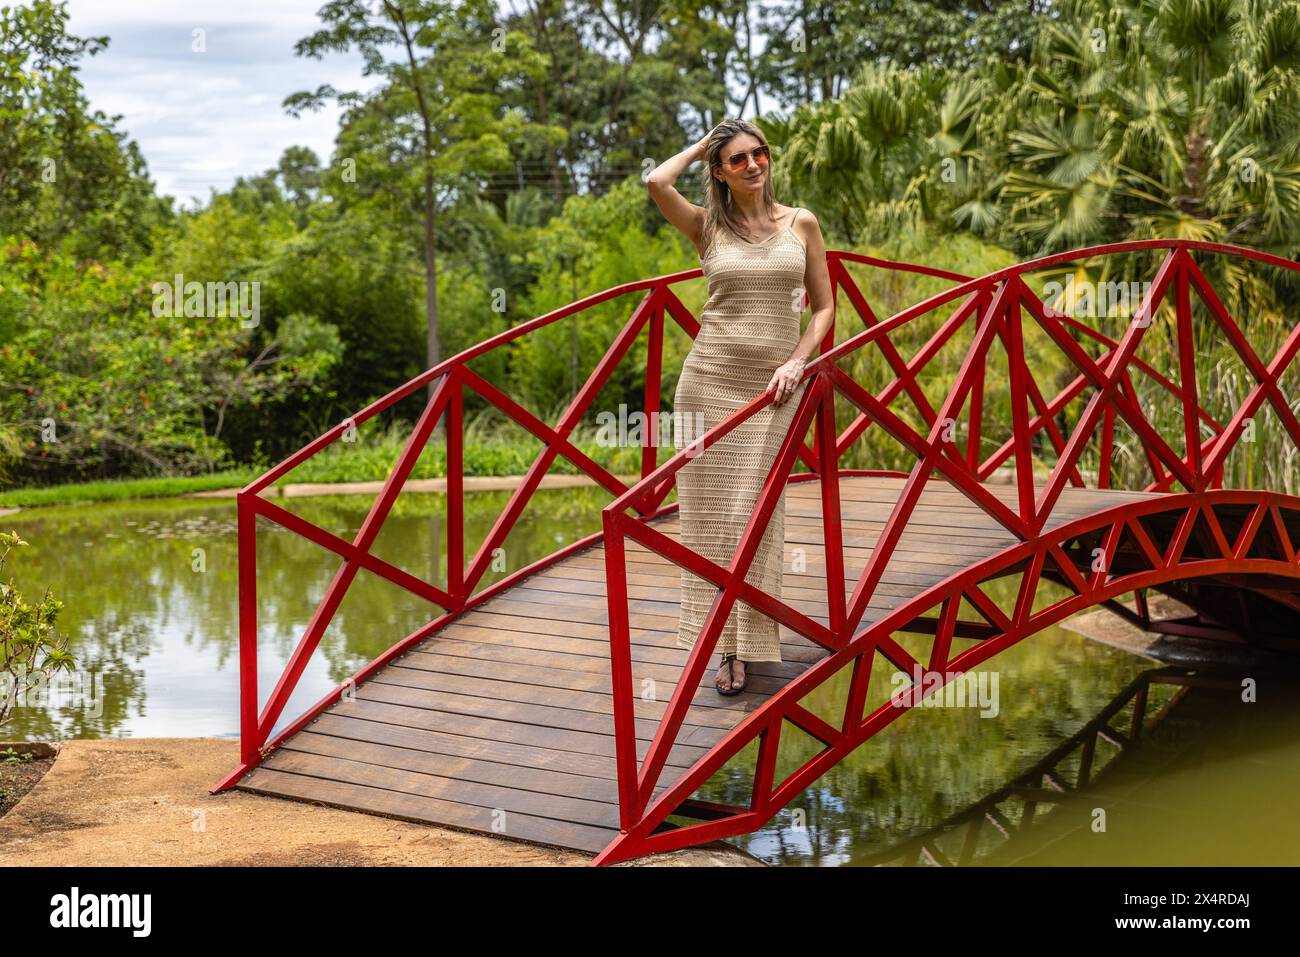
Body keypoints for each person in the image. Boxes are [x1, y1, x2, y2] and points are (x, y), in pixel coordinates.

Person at [646, 118, 835, 695]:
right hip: (708, 385)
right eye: (737, 159)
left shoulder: (800, 224)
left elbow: (826, 308)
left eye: (760, 154)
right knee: (709, 525)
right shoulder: (707, 228)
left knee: (753, 519)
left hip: (773, 389)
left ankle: (753, 642)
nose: (753, 164)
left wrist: (797, 359)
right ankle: (722, 650)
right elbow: (656, 181)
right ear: (720, 172)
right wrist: (705, 143)